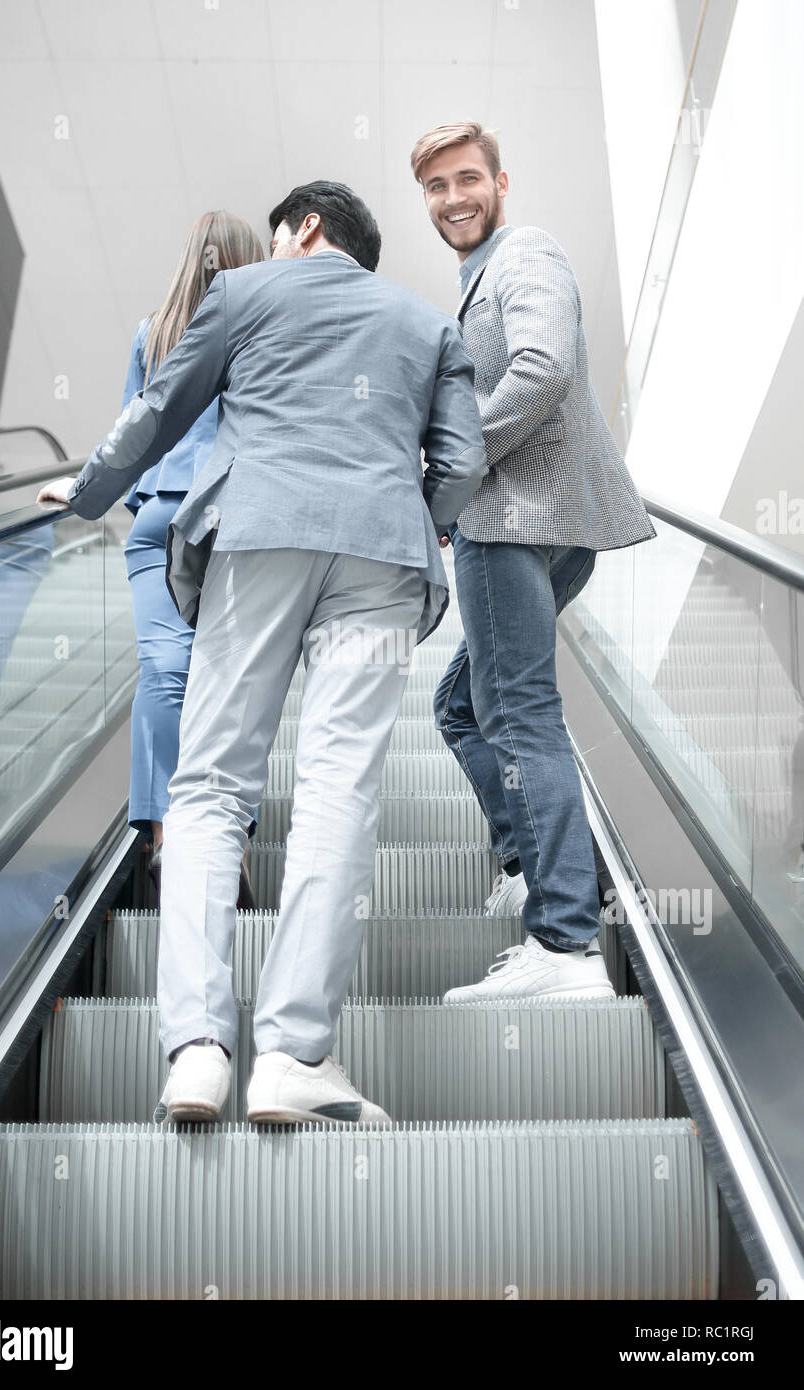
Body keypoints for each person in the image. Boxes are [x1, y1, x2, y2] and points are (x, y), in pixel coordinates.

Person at [37, 180, 487, 1127]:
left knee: (208, 787)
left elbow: (158, 412)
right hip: (380, 556)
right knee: (338, 791)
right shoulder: (425, 323)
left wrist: (86, 494)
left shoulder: (241, 295)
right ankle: (291, 1056)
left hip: (255, 540)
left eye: (279, 232)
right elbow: (461, 463)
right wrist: (423, 524)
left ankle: (198, 1050)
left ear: (305, 229)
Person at [409, 121, 656, 1004]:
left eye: (466, 179)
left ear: (500, 182)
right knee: (462, 705)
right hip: (546, 521)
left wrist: (451, 468)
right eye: (435, 187)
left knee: (518, 712)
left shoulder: (526, 253)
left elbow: (544, 369)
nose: (452, 199)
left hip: (513, 518)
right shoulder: (480, 276)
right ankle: (535, 866)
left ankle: (564, 942)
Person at [119, 211, 265, 904]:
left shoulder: (153, 334)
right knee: (228, 683)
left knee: (165, 674)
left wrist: (140, 502)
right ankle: (223, 836)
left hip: (160, 516)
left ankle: (171, 831)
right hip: (233, 522)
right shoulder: (262, 333)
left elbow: (131, 433)